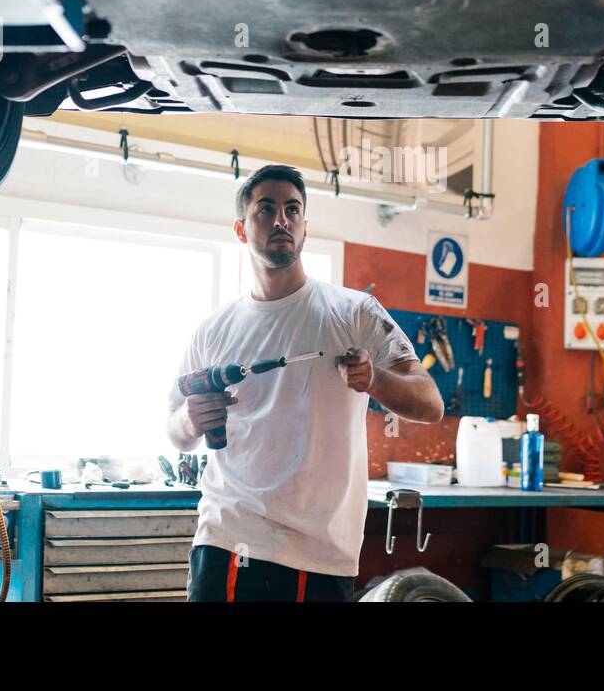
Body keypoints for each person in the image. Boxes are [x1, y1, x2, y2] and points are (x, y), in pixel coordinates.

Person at [165, 164, 444, 601]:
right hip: (228, 537)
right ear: (240, 229)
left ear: (305, 227)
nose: (281, 220)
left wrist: (376, 380)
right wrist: (191, 418)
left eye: (293, 210)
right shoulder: (213, 330)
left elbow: (430, 403)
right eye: (267, 209)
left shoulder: (354, 312)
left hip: (319, 551)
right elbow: (176, 433)